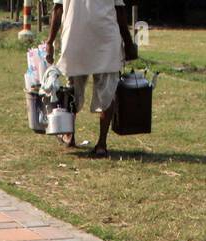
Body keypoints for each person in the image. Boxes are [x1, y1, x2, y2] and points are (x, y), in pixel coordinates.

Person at [45, 0, 139, 159]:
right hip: (105, 39)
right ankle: (101, 144)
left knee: (72, 91)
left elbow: (58, 9)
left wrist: (50, 41)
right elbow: (120, 11)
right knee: (107, 94)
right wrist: (128, 44)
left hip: (75, 39)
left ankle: (69, 134)